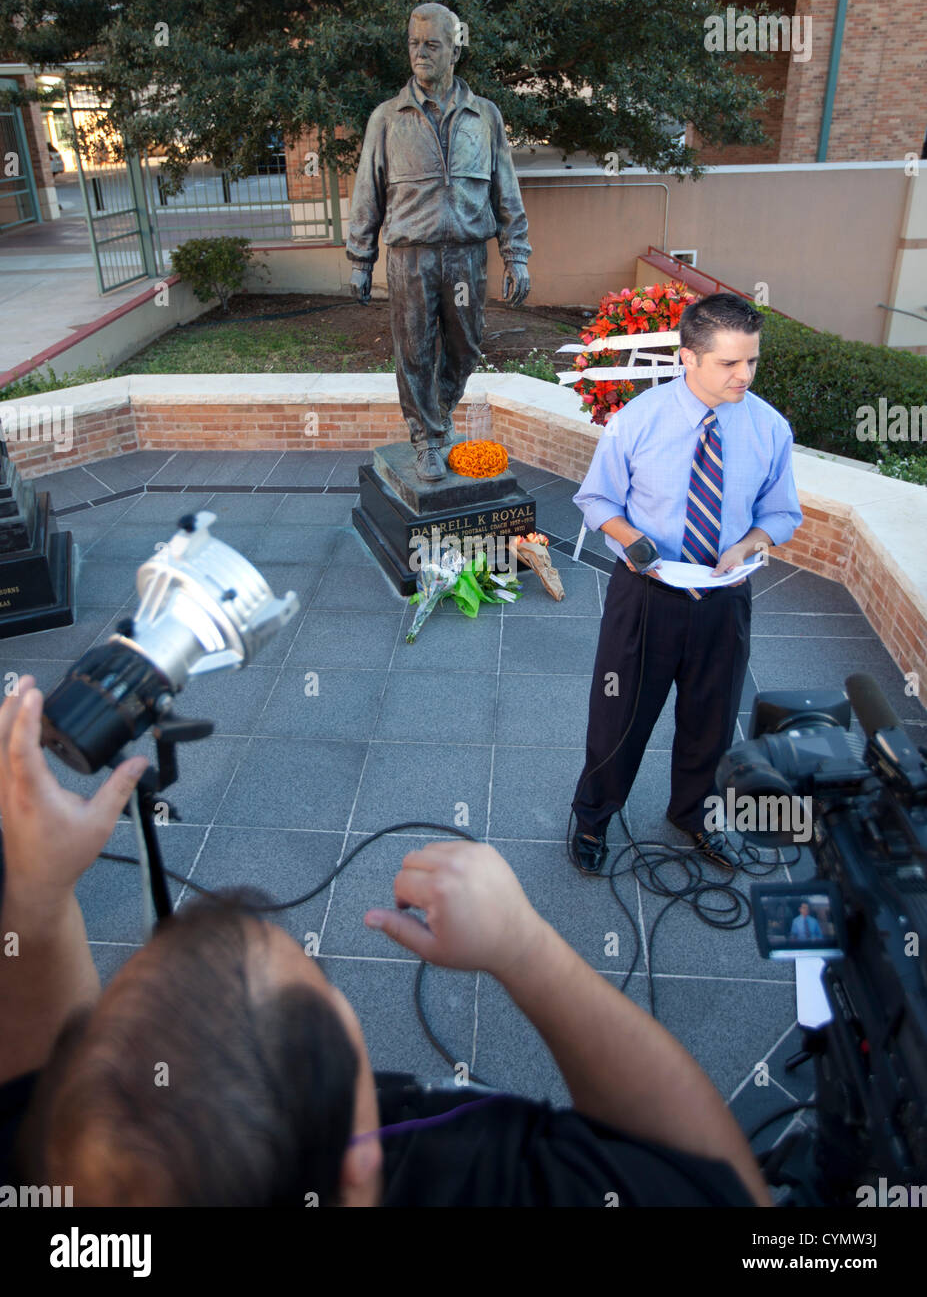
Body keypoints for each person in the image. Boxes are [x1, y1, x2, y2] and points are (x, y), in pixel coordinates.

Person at [0, 676, 771, 1207]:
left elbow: (30, 1094)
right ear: (362, 1162)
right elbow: (719, 1183)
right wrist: (530, 952)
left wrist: (35, 898)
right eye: (325, 990)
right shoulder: (483, 1178)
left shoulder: (78, 1179)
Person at [569, 292, 803, 874]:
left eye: (751, 361)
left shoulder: (769, 427)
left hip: (724, 600)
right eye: (728, 363)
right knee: (618, 717)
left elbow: (781, 513)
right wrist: (632, 539)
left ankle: (694, 815)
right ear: (688, 358)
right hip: (644, 597)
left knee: (711, 720)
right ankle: (594, 818)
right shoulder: (638, 420)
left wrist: (752, 543)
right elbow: (596, 498)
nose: (743, 376)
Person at [346, 1, 531, 483]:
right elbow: (368, 190)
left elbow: (505, 188)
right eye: (413, 44)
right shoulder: (387, 118)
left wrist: (516, 253)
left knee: (467, 345)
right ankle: (427, 437)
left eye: (431, 44)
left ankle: (438, 412)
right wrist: (361, 258)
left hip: (467, 255)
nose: (420, 54)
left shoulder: (484, 116)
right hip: (411, 256)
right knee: (415, 349)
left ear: (454, 50)